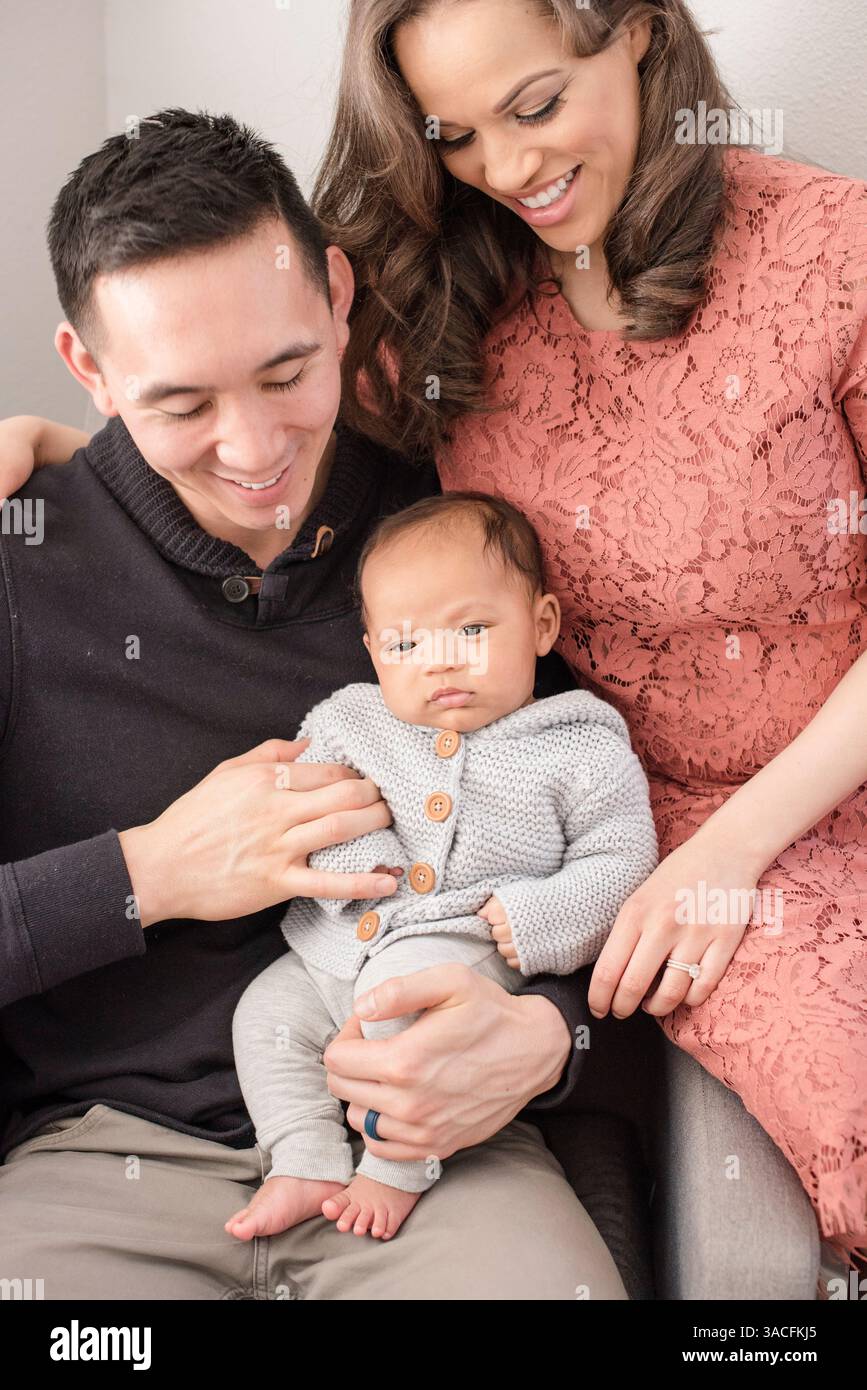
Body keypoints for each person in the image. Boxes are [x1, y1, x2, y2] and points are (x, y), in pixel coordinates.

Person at [0, 109, 630, 1300]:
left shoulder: (456, 539)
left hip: (438, 1154)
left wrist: (552, 1041)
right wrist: (147, 872)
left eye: (288, 372)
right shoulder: (21, 562)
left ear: (338, 296)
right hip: (104, 1165)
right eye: (182, 404)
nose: (254, 449)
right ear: (87, 370)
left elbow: (609, 851)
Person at [307, 0, 867, 1266]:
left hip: (797, 794)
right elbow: (273, 430)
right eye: (454, 133)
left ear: (642, 39)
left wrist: (735, 847)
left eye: (538, 106)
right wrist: (69, 456)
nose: (506, 171)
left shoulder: (835, 251)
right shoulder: (458, 302)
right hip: (643, 828)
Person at [226, 491, 659, 1242]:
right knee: (263, 1016)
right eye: (404, 645)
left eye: (472, 629)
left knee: (404, 1018)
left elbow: (621, 860)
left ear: (541, 625)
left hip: (460, 951)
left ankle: (396, 1168)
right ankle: (304, 1157)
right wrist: (365, 864)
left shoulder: (580, 746)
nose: (440, 662)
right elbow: (303, 794)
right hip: (333, 947)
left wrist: (536, 918)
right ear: (370, 653)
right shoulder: (351, 722)